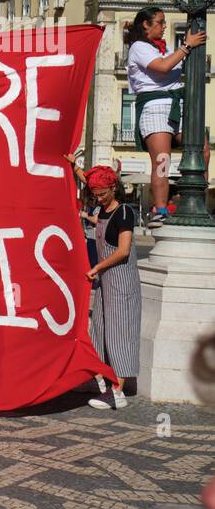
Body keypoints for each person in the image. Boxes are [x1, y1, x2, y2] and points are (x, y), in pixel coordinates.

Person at [125, 7, 209, 229]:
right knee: (162, 161)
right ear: (146, 24)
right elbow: (163, 67)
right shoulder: (139, 47)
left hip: (177, 104)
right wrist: (187, 45)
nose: (164, 27)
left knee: (203, 149)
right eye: (160, 22)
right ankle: (159, 210)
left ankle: (194, 199)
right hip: (155, 106)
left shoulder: (165, 47)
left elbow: (176, 63)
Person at [83, 165, 139, 411]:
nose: (99, 197)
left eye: (103, 192)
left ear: (113, 188)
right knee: (100, 329)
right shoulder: (103, 211)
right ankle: (102, 377)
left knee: (120, 333)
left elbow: (123, 250)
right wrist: (75, 165)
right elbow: (98, 219)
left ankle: (118, 392)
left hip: (121, 282)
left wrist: (97, 267)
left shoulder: (124, 212)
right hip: (106, 281)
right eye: (95, 193)